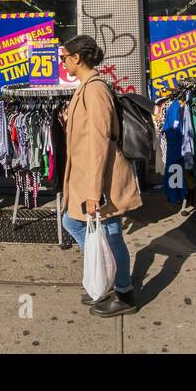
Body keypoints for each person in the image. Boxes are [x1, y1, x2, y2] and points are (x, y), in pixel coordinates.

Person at [59, 34, 142, 318]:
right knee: (75, 223)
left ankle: (124, 292)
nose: (63, 63)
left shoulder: (94, 89)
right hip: (90, 174)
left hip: (102, 177)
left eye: (65, 58)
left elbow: (99, 141)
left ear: (77, 58)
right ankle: (107, 277)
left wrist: (94, 192)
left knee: (110, 234)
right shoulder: (88, 87)